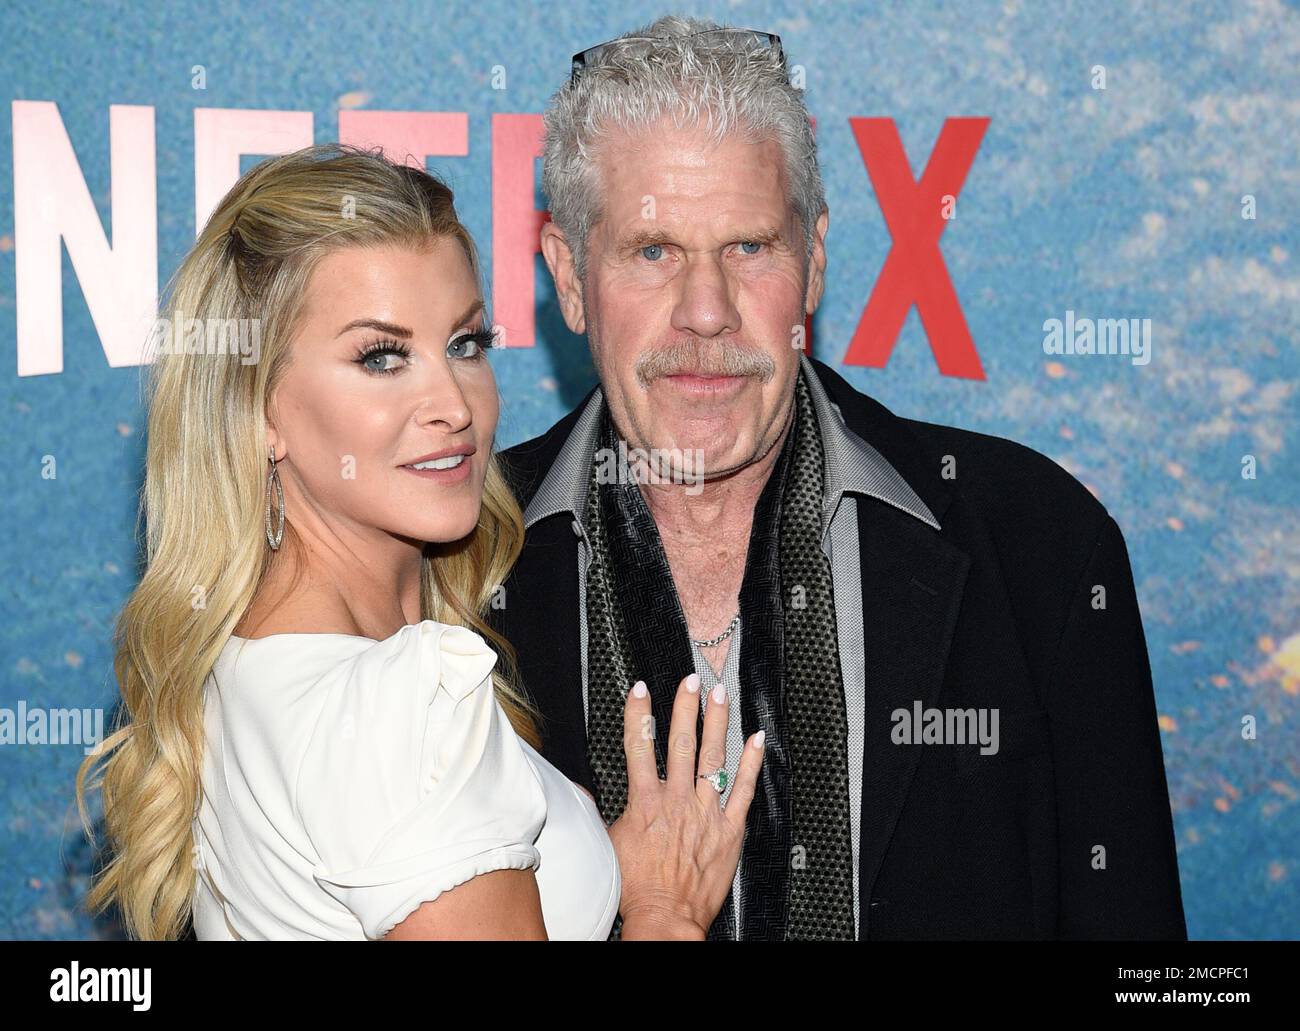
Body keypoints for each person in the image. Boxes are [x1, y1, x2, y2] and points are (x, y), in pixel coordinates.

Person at [488, 15, 1188, 940]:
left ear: (813, 259)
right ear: (570, 277)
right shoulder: (453, 562)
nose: (706, 312)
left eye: (749, 247)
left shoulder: (1042, 545)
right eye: (653, 251)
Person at [74, 143, 764, 940]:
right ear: (257, 409)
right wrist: (664, 915)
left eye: (465, 343)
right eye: (381, 357)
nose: (453, 403)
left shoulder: (244, 667)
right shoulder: (404, 709)